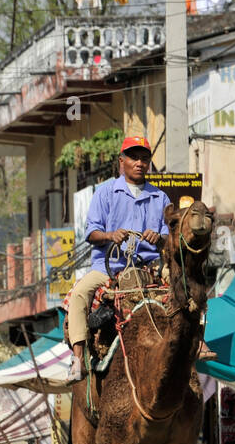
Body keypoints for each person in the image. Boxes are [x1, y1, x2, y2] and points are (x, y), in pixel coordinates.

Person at [67, 136, 183, 382]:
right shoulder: (105, 192)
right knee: (79, 294)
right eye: (134, 157)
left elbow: (172, 238)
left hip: (149, 270)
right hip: (110, 269)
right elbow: (91, 233)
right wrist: (110, 235)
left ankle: (195, 346)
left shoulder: (160, 198)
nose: (139, 163)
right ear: (122, 161)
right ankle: (77, 359)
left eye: (144, 158)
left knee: (186, 293)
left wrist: (160, 238)